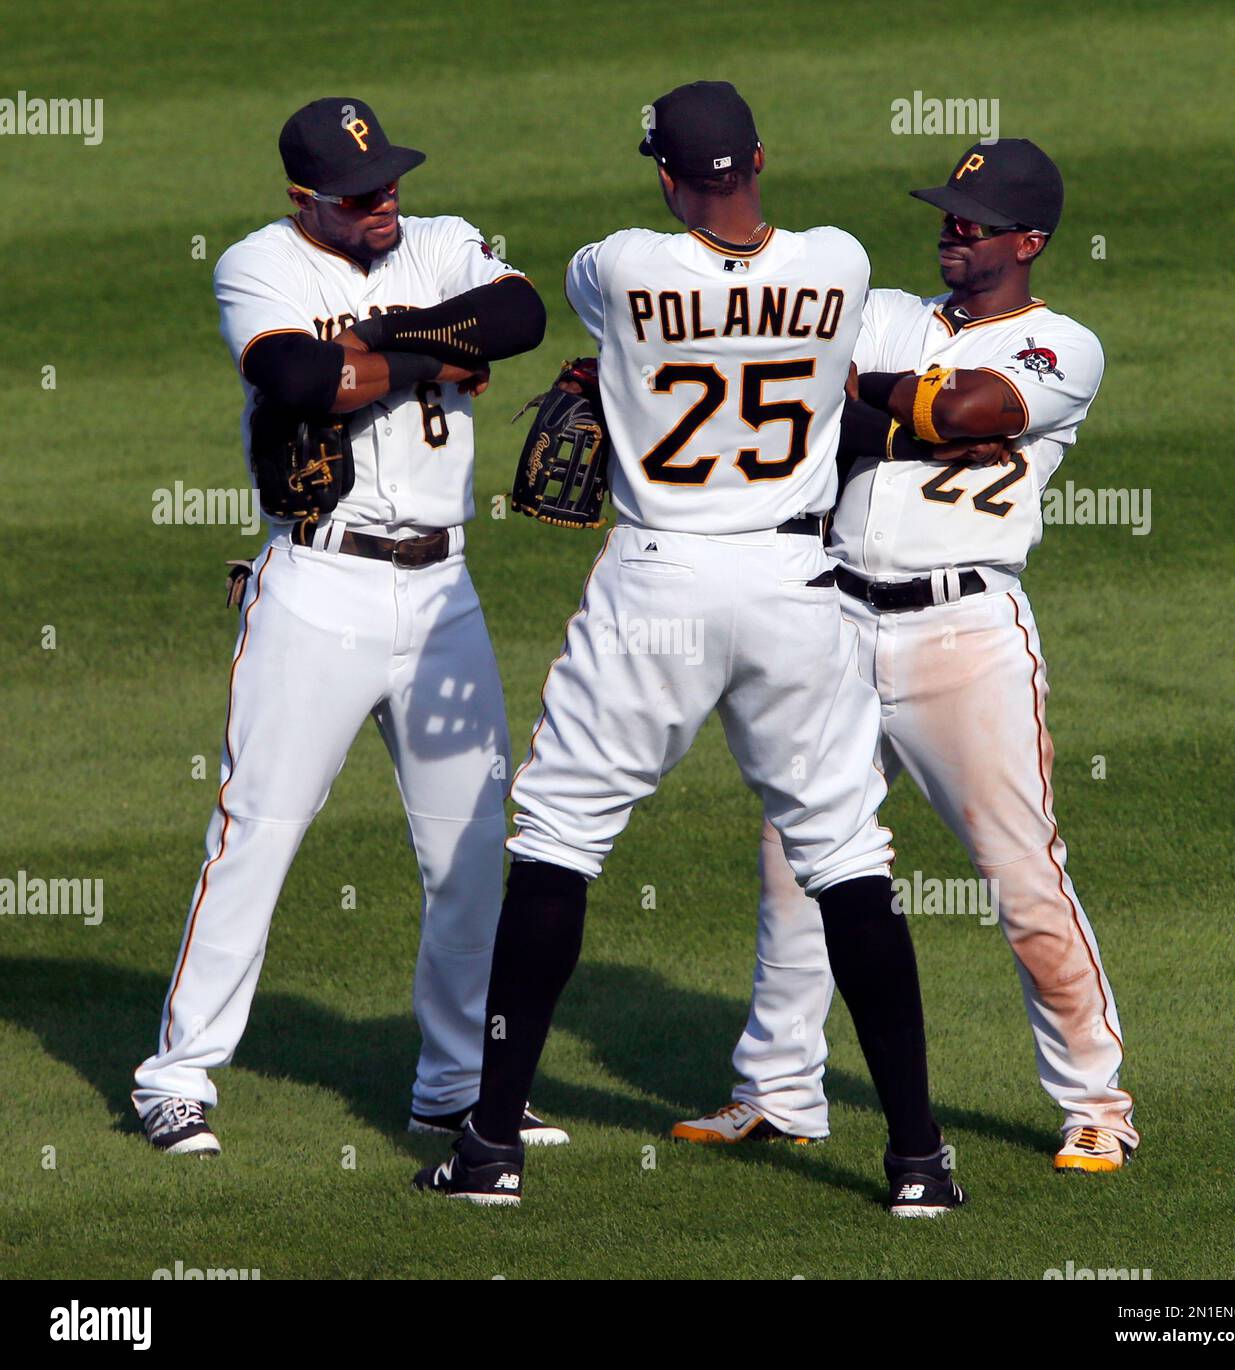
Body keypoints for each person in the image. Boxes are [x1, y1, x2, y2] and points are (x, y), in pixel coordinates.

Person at [415, 82, 965, 1216]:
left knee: (558, 835)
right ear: (760, 156)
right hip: (794, 582)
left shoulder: (618, 263)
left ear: (663, 175)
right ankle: (916, 1158)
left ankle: (490, 1149)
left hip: (658, 578)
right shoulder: (843, 260)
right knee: (846, 853)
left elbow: (604, 327)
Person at [673, 140, 1137, 1174]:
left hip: (964, 636)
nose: (952, 230)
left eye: (974, 221)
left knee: (1019, 875)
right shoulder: (885, 309)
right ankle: (780, 1090)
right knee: (799, 861)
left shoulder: (1064, 344)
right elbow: (800, 401)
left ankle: (1095, 1100)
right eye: (947, 214)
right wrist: (903, 409)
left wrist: (890, 407)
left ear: (1029, 241)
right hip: (832, 618)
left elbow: (972, 410)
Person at [132, 96, 567, 1155]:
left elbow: (519, 316)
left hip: (444, 591)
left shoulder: (440, 240)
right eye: (358, 196)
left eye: (391, 185)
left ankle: (454, 1082)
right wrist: (431, 353)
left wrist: (379, 347)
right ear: (302, 199)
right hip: (318, 587)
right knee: (259, 832)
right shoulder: (260, 264)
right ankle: (177, 1074)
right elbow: (295, 375)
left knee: (466, 848)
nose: (384, 205)